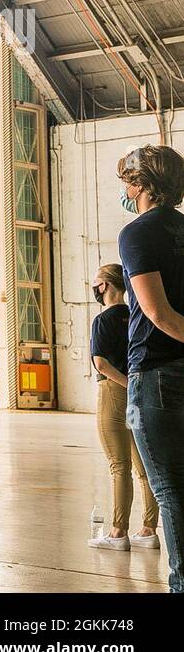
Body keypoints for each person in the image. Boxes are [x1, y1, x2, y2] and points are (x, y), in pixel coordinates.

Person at [118, 144, 184, 592]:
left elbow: (157, 313)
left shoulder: (137, 233)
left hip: (156, 374)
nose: (124, 188)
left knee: (171, 492)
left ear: (142, 184)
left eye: (127, 179)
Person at [87, 262, 159, 551]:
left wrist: (124, 383)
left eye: (96, 281)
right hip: (137, 398)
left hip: (113, 393)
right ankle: (149, 529)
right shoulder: (135, 317)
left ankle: (118, 532)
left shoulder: (102, 321)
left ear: (105, 285)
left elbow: (100, 362)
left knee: (119, 466)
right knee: (143, 467)